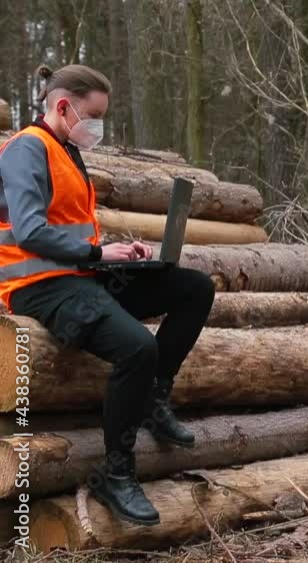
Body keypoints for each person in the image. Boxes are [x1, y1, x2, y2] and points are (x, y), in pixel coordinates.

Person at [0, 64, 215, 526]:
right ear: (63, 106)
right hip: (39, 287)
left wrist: (118, 253)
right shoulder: (26, 150)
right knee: (138, 346)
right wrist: (98, 252)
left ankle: (154, 398)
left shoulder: (66, 149)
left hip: (84, 274)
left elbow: (70, 227)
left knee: (194, 289)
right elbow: (30, 230)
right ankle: (117, 473)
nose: (97, 126)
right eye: (93, 115)